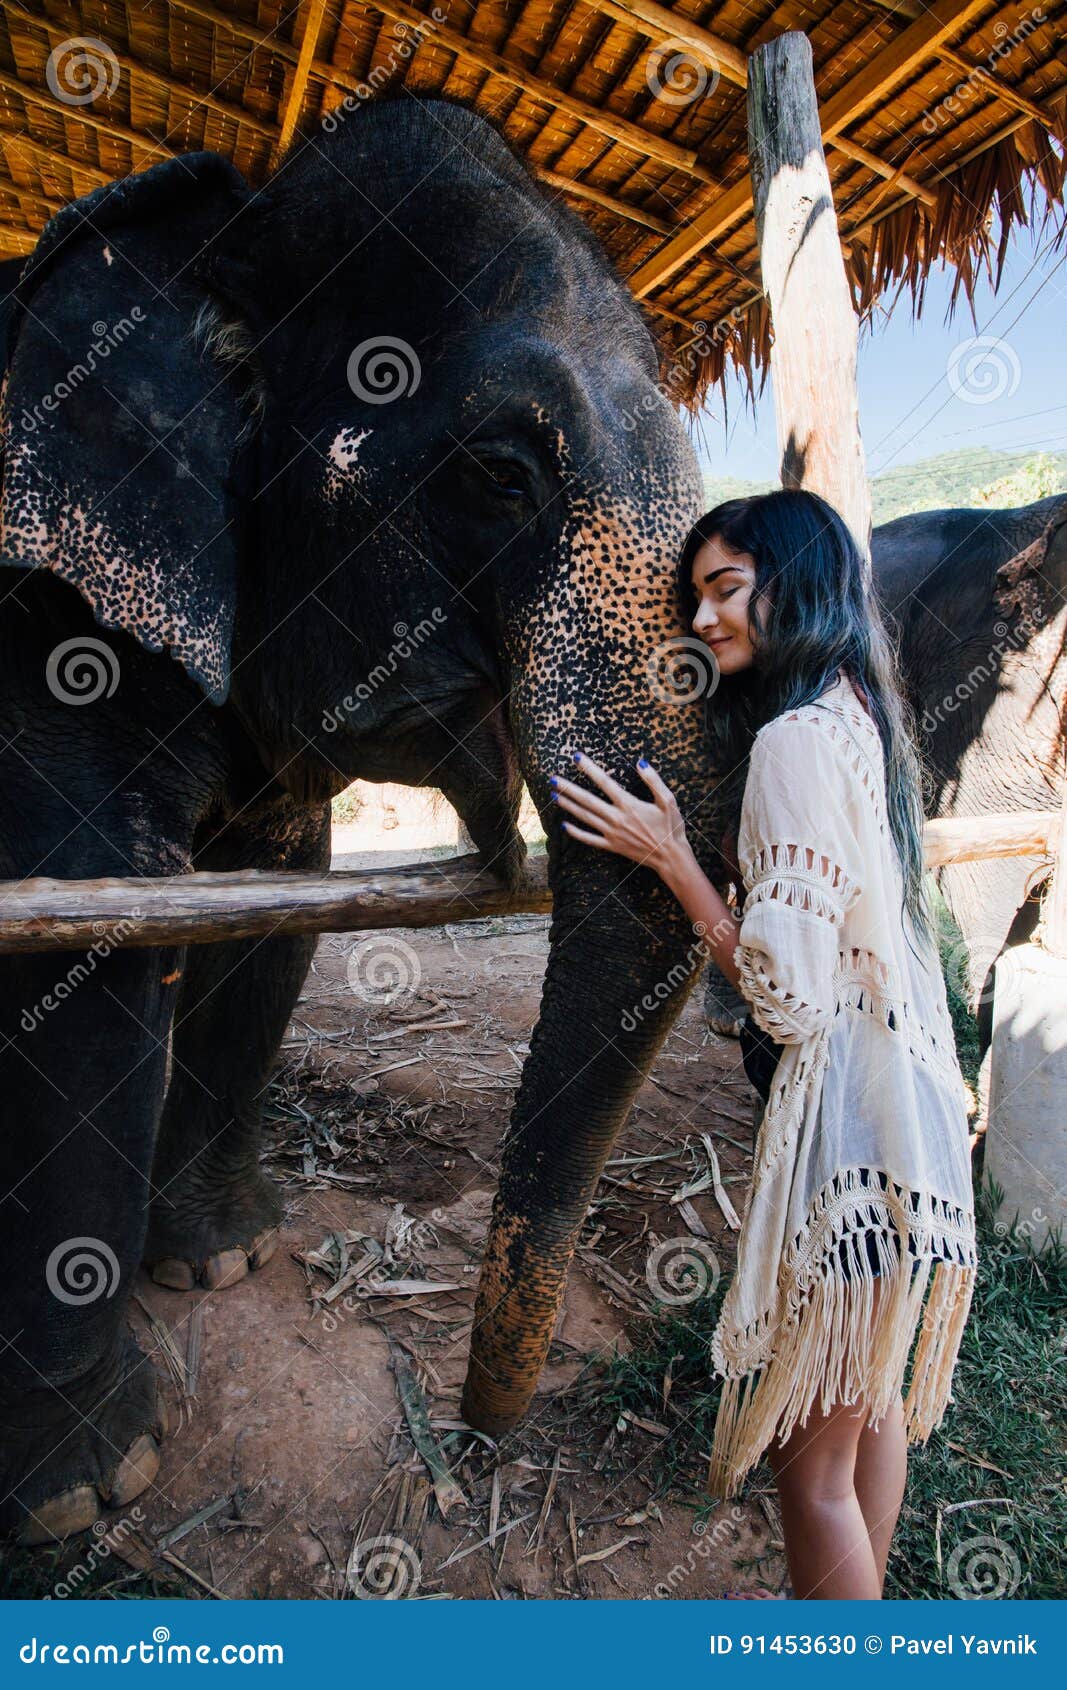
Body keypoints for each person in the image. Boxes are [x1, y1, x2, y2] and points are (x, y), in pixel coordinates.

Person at [550, 490, 977, 1600]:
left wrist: (675, 861)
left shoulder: (790, 742)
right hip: (911, 1123)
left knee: (808, 1462)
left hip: (844, 1137)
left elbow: (783, 995)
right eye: (696, 595)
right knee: (864, 1409)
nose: (701, 618)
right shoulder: (856, 719)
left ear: (798, 585)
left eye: (725, 589)